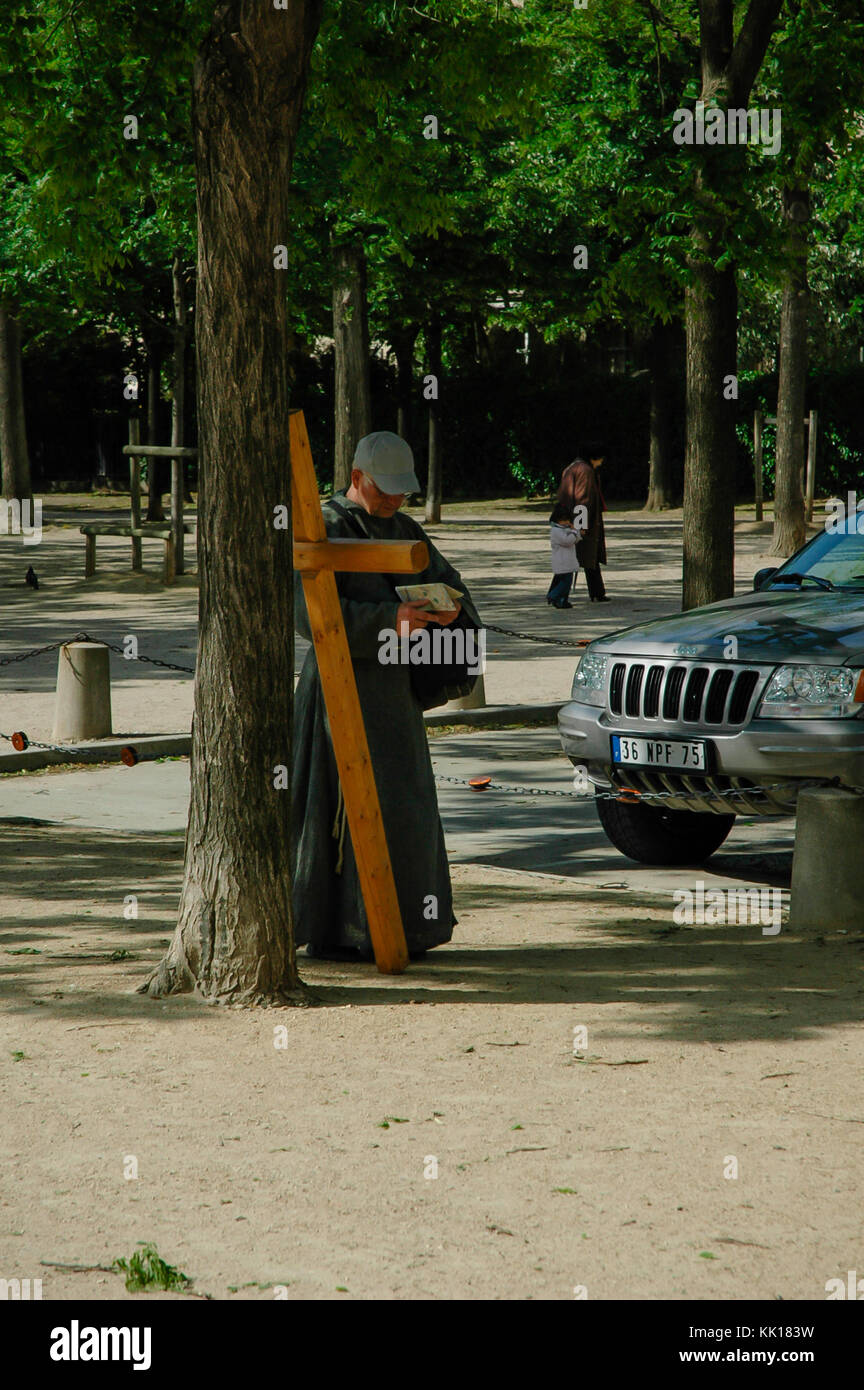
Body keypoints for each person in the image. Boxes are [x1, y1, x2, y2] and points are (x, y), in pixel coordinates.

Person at [292, 431, 482, 962]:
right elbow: (306, 610)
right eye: (386, 490)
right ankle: (339, 930)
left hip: (394, 696)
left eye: (403, 491)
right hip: (338, 689)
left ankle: (406, 929)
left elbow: (448, 581)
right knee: (339, 811)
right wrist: (387, 620)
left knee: (404, 808)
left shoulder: (405, 528)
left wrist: (450, 611)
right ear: (356, 478)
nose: (396, 501)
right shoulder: (324, 527)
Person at [557, 441, 610, 601]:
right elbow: (583, 499)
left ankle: (597, 592)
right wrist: (581, 526)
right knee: (582, 556)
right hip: (580, 521)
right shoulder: (585, 471)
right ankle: (559, 595)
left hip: (566, 518)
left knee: (586, 558)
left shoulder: (571, 467)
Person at [546, 502, 580, 609]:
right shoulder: (556, 531)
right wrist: (574, 533)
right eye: (563, 520)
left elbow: (577, 539)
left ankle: (563, 601)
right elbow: (567, 541)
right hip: (562, 562)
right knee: (565, 583)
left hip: (568, 561)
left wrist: (575, 531)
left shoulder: (566, 529)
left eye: (567, 520)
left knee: (566, 584)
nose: (566, 522)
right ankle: (553, 596)